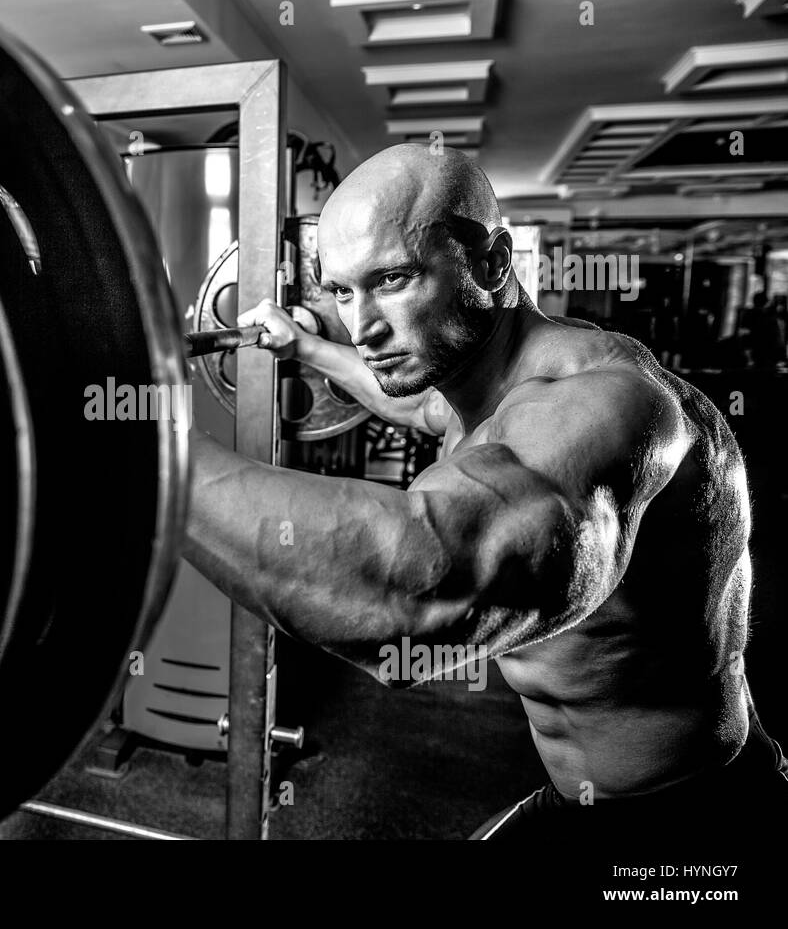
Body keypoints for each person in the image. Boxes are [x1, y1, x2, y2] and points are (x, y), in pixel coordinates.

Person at [183, 143, 787, 840]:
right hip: (580, 795)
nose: (363, 325)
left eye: (392, 278)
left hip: (687, 812)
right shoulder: (479, 383)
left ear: (493, 264)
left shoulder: (606, 407)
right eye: (344, 290)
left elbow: (415, 589)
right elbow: (418, 407)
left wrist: (142, 447)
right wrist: (307, 350)